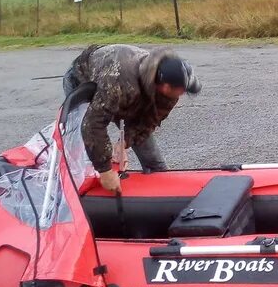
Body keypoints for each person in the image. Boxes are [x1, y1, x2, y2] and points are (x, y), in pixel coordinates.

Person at [62, 44, 201, 192]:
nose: (183, 94)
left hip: (122, 90)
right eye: (182, 90)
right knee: (79, 140)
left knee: (151, 156)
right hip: (83, 79)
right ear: (166, 87)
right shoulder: (120, 84)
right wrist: (105, 171)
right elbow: (92, 124)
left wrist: (124, 143)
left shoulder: (169, 93)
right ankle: (76, 189)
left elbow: (147, 122)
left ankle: (160, 189)